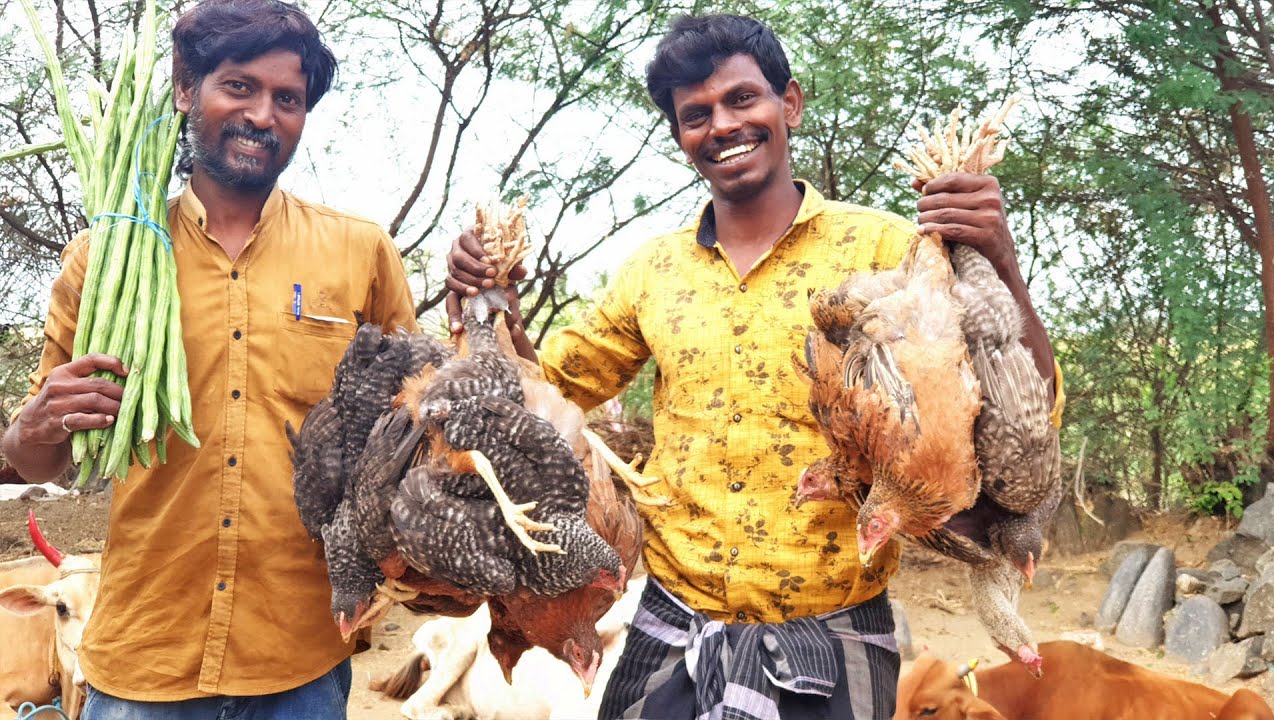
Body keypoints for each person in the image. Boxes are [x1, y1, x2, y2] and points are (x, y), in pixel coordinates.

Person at [445, 13, 1061, 720]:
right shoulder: (654, 272)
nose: (722, 125)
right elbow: (546, 393)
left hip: (833, 639)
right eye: (695, 114)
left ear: (788, 103)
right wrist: (491, 304)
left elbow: (1029, 412)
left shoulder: (891, 248)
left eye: (743, 99)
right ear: (680, 137)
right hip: (672, 636)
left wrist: (1001, 263)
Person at [2, 1, 417, 717]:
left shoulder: (360, 253)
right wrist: (31, 432)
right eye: (239, 86)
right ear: (186, 89)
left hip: (301, 660)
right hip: (145, 656)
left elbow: (415, 420)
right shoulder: (103, 260)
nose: (263, 114)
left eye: (287, 99)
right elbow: (48, 463)